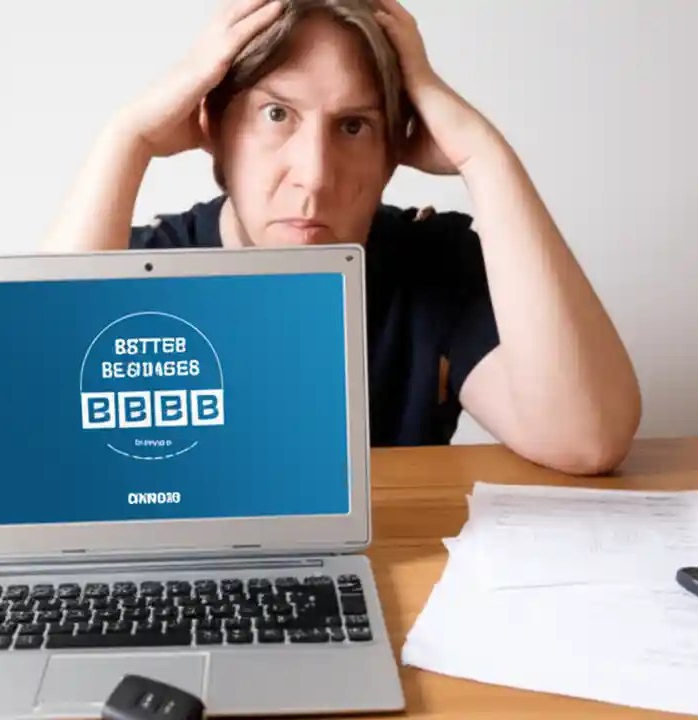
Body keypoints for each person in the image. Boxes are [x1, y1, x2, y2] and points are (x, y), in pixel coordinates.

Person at [43, 0, 641, 475]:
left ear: (394, 149)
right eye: (276, 115)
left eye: (354, 126)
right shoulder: (141, 269)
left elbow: (585, 440)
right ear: (214, 128)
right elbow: (30, 433)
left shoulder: (432, 264)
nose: (315, 175)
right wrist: (127, 140)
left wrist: (484, 156)